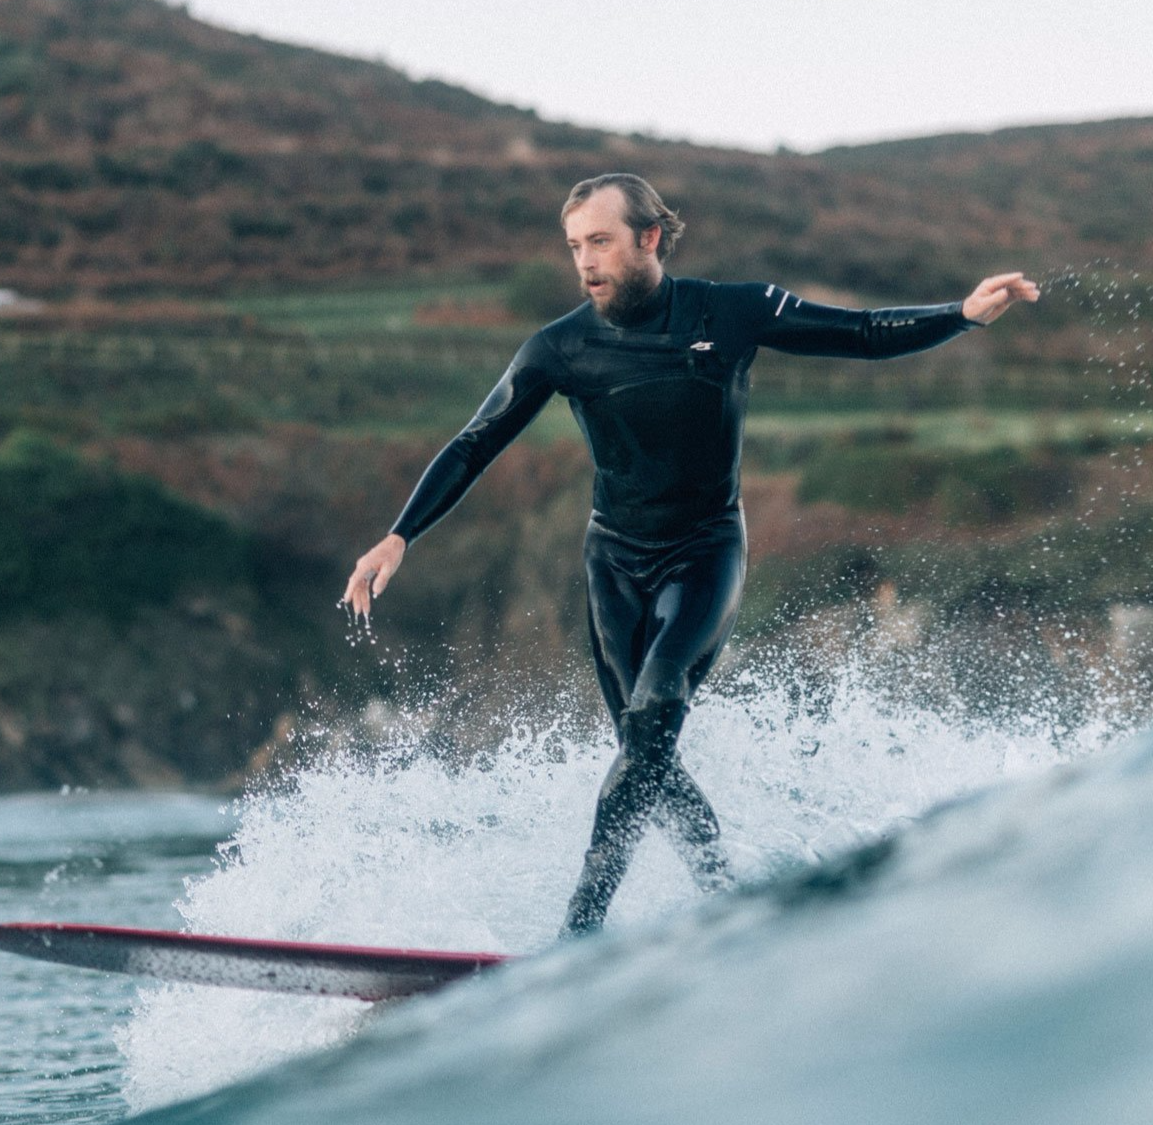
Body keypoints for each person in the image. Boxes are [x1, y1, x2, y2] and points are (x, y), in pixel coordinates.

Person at [340, 173, 1039, 937]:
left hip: (703, 553)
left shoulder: (731, 310)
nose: (584, 261)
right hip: (612, 563)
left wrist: (961, 314)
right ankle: (725, 900)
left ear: (649, 237)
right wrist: (398, 534)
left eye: (599, 241)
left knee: (652, 720)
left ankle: (578, 935)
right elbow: (475, 442)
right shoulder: (559, 346)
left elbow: (861, 333)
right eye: (574, 246)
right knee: (648, 756)